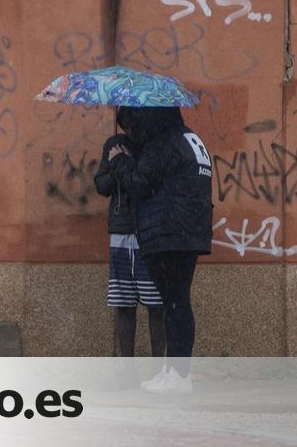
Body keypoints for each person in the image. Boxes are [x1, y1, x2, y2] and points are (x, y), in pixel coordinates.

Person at [108, 106, 213, 393]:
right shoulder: (190, 139)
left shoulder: (163, 143)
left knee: (175, 303)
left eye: (133, 126)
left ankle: (178, 376)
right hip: (189, 230)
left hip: (169, 232)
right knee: (176, 302)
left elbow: (139, 183)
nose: (132, 133)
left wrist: (119, 161)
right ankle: (173, 371)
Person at [94, 111, 166, 358]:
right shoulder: (114, 145)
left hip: (151, 232)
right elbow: (101, 185)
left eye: (135, 124)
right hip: (122, 231)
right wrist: (117, 165)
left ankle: (159, 365)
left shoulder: (156, 146)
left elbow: (147, 182)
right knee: (123, 303)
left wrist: (125, 163)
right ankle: (126, 366)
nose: (132, 129)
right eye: (127, 125)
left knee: (157, 304)